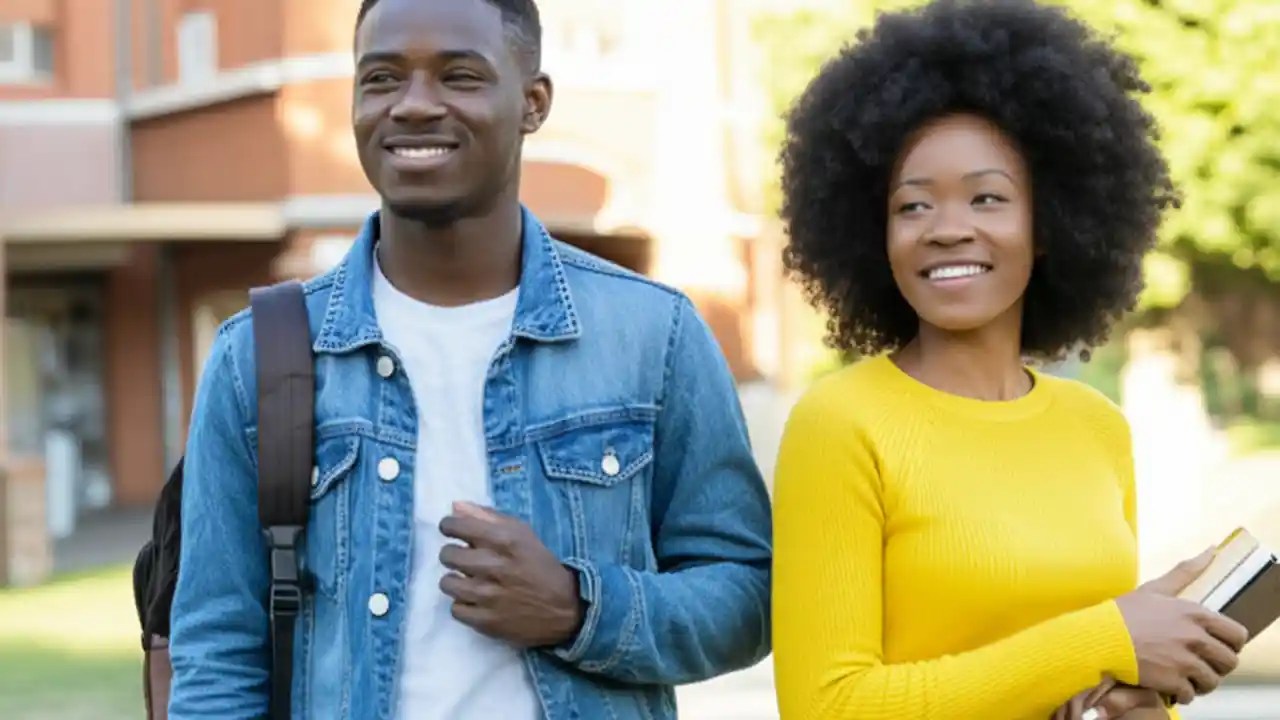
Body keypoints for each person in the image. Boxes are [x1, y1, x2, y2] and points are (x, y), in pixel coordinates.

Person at [166, 0, 772, 718]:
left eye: (459, 76)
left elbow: (746, 597)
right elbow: (215, 656)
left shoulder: (652, 332)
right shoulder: (258, 354)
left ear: (533, 103)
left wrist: (579, 609)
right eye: (382, 79)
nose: (413, 106)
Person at [768, 1, 1248, 718]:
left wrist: (1141, 704)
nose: (948, 230)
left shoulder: (1098, 428)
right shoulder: (840, 424)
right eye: (913, 206)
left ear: (1051, 224)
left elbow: (1101, 681)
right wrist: (1107, 637)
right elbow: (827, 706)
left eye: (987, 198)